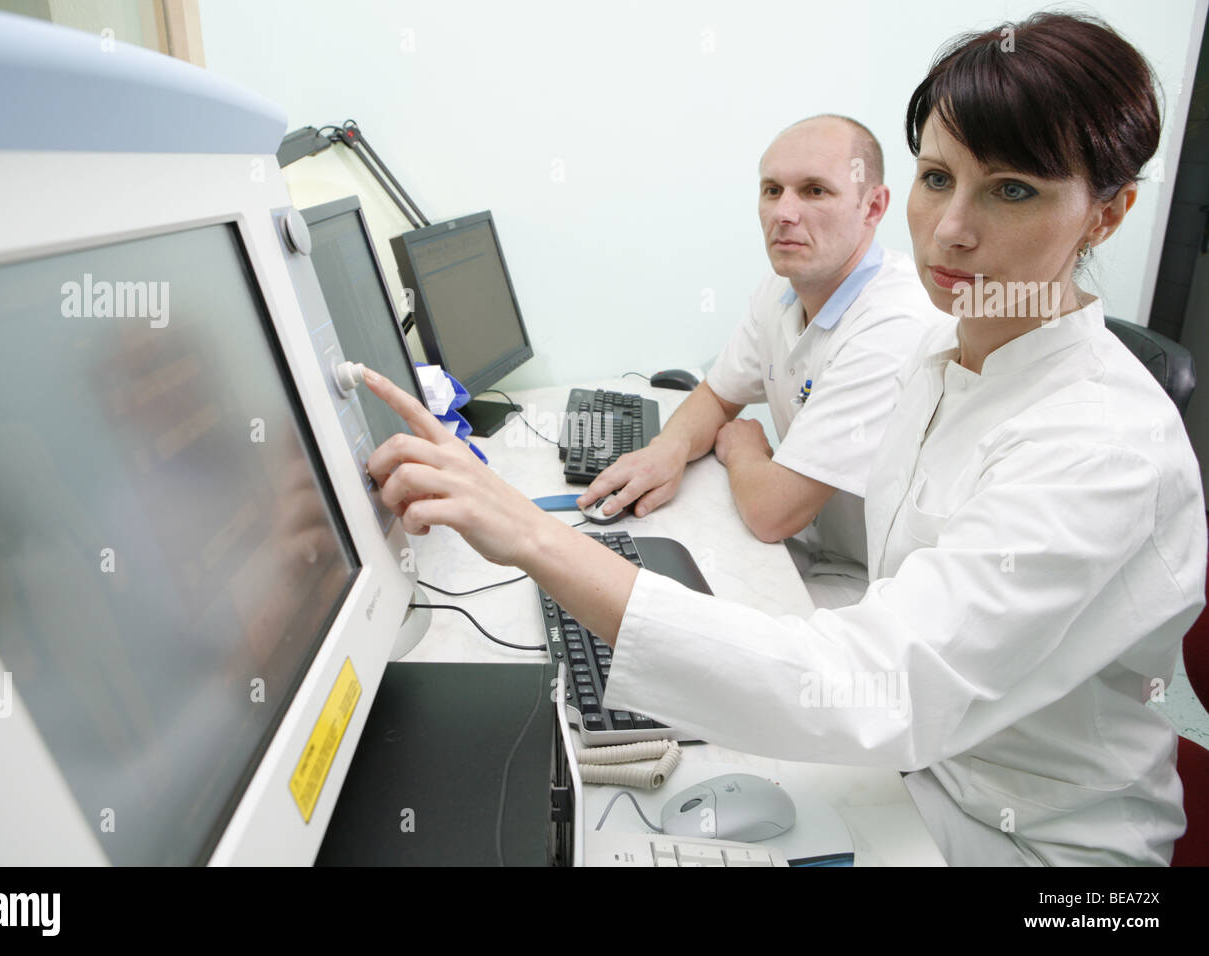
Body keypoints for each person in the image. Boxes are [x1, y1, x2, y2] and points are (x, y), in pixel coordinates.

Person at [363, 11, 1206, 865]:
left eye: (1012, 190)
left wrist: (533, 536)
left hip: (1036, 843)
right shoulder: (943, 353)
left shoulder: (1103, 444)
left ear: (1107, 215)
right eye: (938, 177)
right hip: (918, 766)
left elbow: (878, 684)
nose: (952, 228)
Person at [578, 115, 945, 608]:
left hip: (878, 588)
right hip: (815, 548)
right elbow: (717, 396)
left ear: (873, 206)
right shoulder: (784, 286)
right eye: (772, 190)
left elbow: (773, 513)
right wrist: (667, 450)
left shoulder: (894, 322)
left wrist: (743, 450)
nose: (784, 213)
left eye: (815, 191)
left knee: (663, 616)